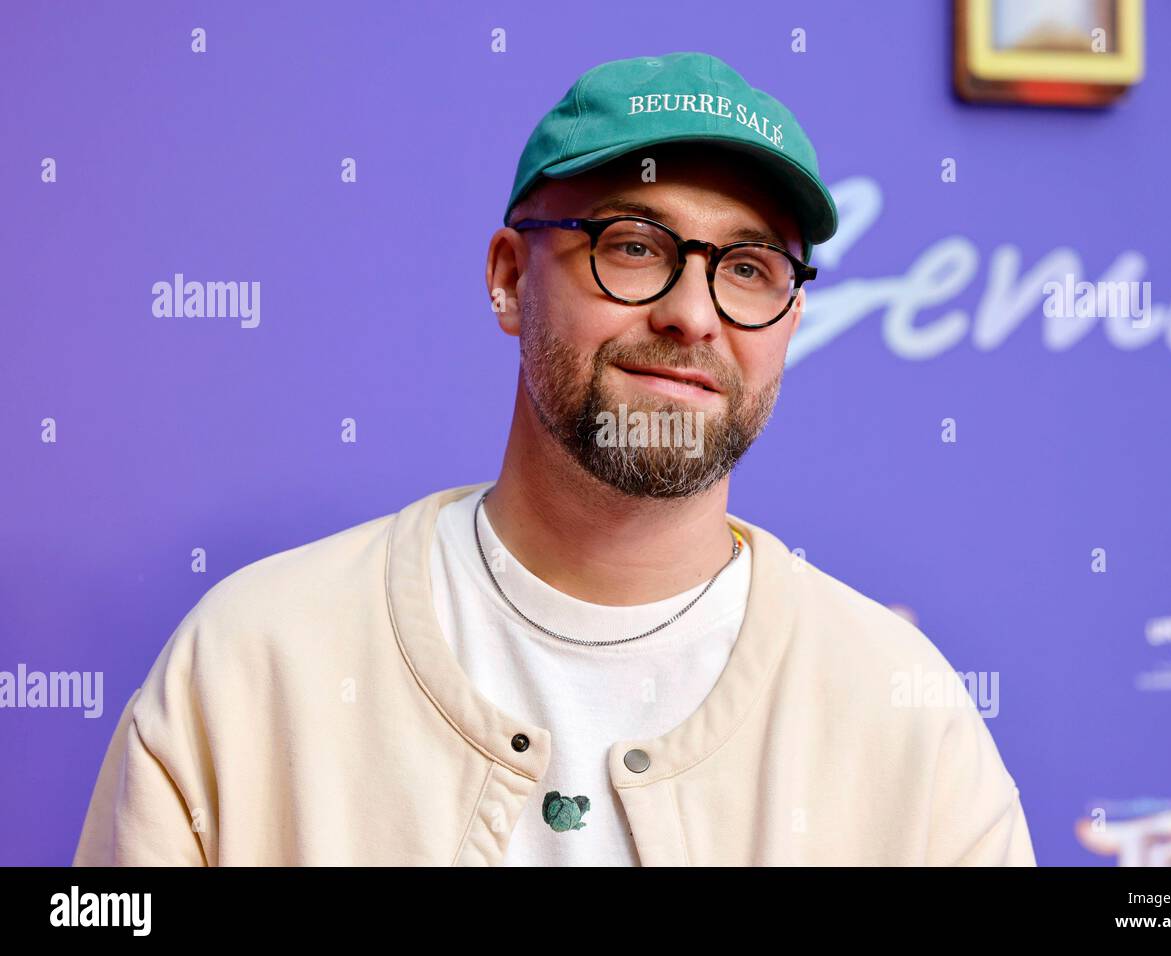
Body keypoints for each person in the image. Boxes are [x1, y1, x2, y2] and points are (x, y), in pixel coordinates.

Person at [73, 51, 1035, 866]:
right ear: (506, 278)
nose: (692, 315)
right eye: (631, 245)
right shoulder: (251, 662)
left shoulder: (906, 717)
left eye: (748, 268)